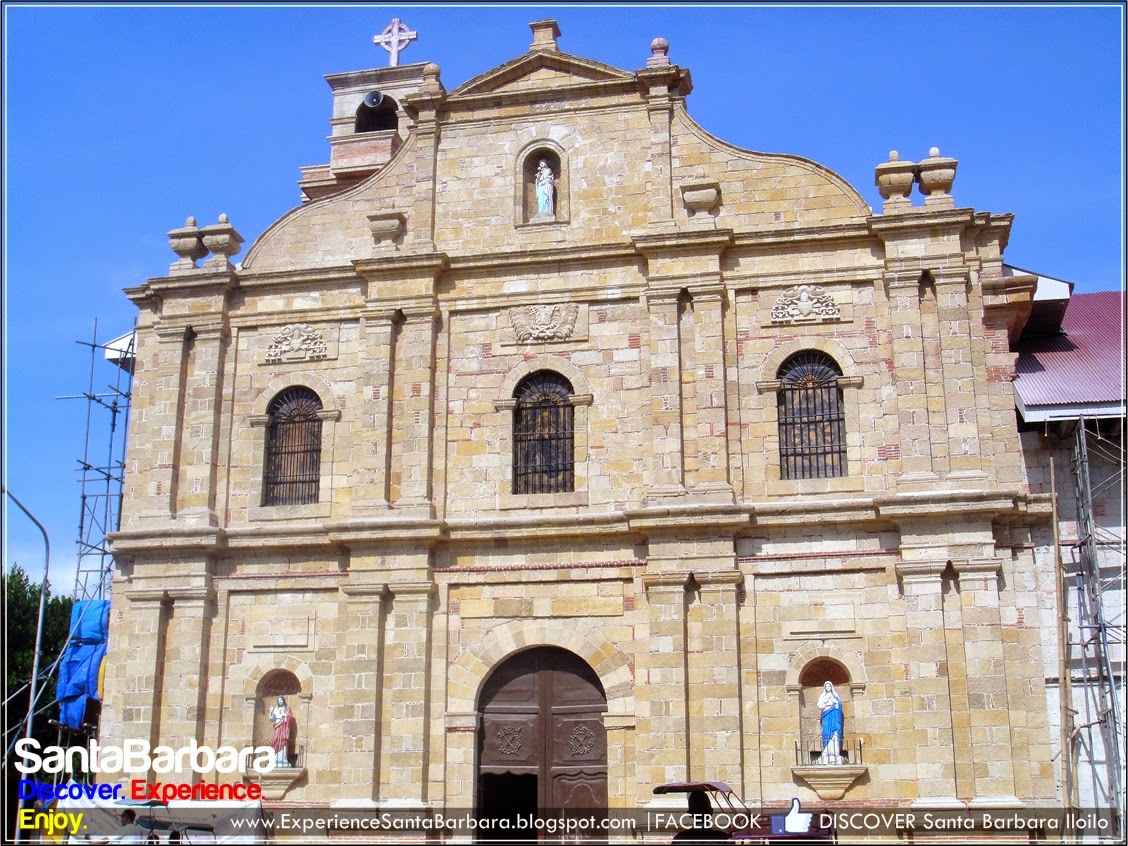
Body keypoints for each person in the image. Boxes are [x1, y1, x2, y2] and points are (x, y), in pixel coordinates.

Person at [817, 681, 844, 763]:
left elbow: (839, 705)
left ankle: (836, 752)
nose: (828, 688)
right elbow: (819, 706)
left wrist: (836, 703)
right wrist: (825, 702)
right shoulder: (823, 696)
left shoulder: (835, 696)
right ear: (825, 688)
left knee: (835, 732)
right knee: (826, 733)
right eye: (826, 686)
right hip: (826, 716)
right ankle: (825, 752)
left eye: (829, 686)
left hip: (834, 717)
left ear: (831, 687)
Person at [269, 695, 294, 767]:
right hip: (277, 726)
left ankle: (283, 759)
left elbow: (290, 717)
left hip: (284, 726)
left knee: (283, 740)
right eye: (278, 700)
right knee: (276, 740)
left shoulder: (287, 708)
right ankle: (275, 758)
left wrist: (284, 715)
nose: (280, 701)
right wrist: (271, 712)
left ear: (283, 700)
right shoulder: (276, 708)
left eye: (281, 700)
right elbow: (272, 719)